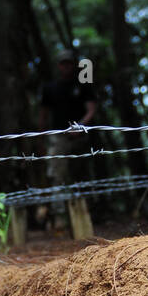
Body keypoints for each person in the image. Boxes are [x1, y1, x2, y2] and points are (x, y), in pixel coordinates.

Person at [38, 49, 98, 226]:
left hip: (81, 137)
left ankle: (84, 215)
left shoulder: (83, 86)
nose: (66, 66)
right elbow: (43, 115)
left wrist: (80, 126)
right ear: (58, 66)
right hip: (58, 137)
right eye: (63, 63)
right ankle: (60, 217)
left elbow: (92, 109)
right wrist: (41, 138)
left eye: (69, 63)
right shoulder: (50, 88)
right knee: (58, 176)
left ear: (74, 65)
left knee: (81, 175)